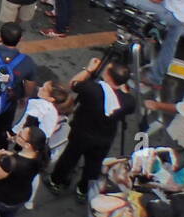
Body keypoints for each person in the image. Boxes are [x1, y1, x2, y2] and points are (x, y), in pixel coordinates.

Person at [47, 58, 136, 202]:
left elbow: (74, 84)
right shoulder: (128, 101)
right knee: (93, 165)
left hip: (81, 133)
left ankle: (56, 182)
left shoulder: (92, 89)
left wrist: (89, 70)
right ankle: (83, 190)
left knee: (69, 157)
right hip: (104, 139)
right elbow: (130, 105)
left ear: (107, 75)